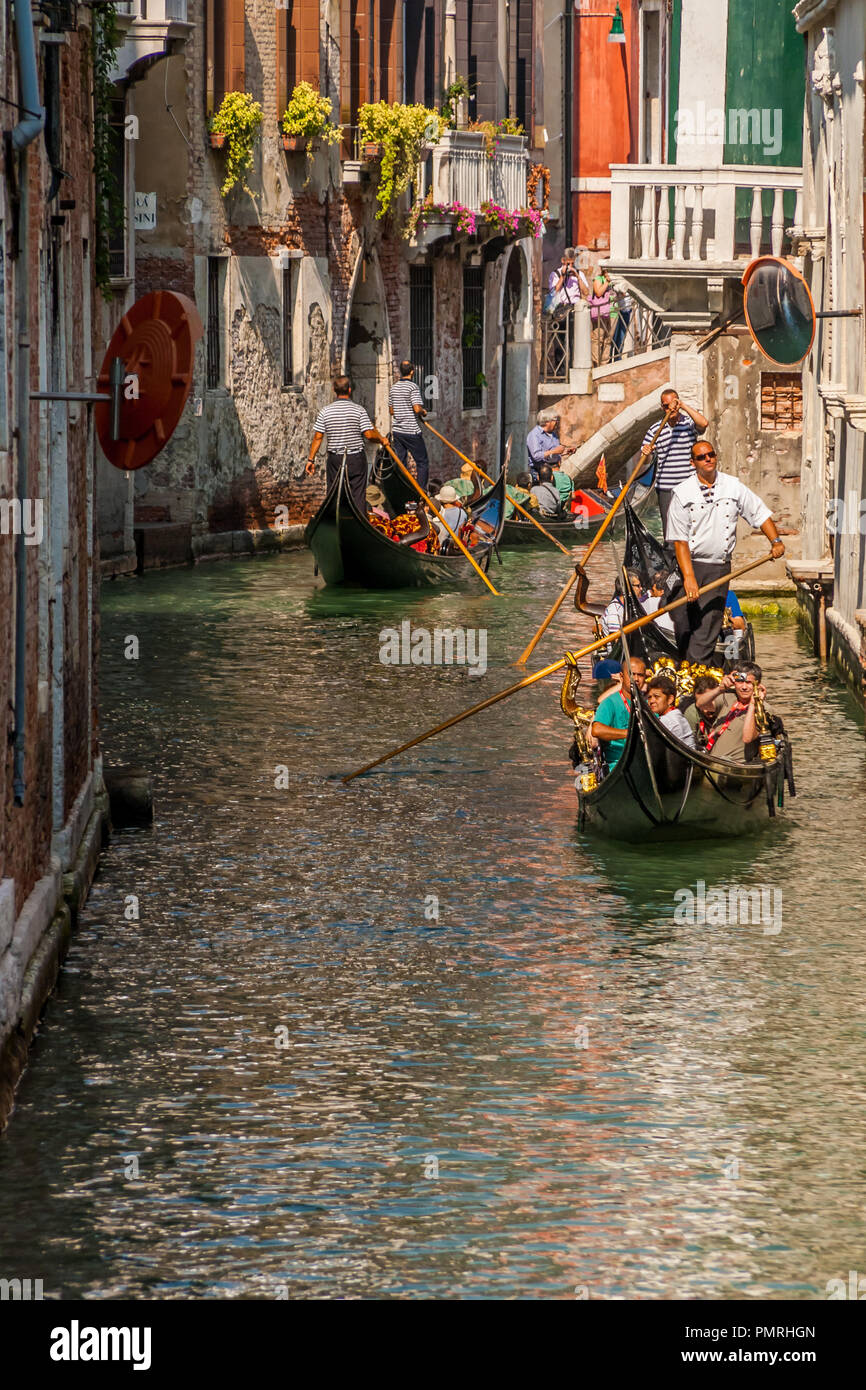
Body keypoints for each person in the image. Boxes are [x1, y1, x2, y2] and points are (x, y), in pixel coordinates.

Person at [666, 442, 784, 663]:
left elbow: (759, 512)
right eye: (702, 457)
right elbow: (680, 541)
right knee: (683, 622)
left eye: (711, 454)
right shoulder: (682, 494)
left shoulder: (733, 487)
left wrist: (775, 541)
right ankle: (687, 667)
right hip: (688, 565)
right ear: (693, 463)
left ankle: (696, 677)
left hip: (718, 567)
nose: (708, 459)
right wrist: (689, 577)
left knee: (708, 624)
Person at [637, 388, 709, 537]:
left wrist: (682, 406)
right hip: (666, 488)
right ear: (662, 408)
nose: (670, 408)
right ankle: (671, 559)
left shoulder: (689, 423)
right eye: (666, 405)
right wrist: (647, 453)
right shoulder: (654, 430)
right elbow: (646, 461)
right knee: (670, 533)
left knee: (692, 528)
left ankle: (690, 559)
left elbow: (704, 423)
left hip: (689, 485)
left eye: (673, 404)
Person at [307, 377, 384, 511]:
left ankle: (335, 522)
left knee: (334, 493)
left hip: (335, 459)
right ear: (349, 390)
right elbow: (369, 435)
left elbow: (318, 437)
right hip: (355, 459)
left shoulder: (325, 411)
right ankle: (358, 522)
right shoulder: (359, 410)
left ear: (334, 390)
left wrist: (310, 459)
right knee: (358, 494)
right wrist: (382, 439)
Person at [696, 663, 768, 762]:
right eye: (740, 682)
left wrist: (752, 703)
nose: (744, 687)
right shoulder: (728, 697)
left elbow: (747, 738)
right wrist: (719, 689)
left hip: (736, 765)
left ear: (758, 685)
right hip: (712, 760)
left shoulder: (763, 708)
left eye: (748, 683)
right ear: (735, 683)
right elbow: (701, 704)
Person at [591, 655, 645, 772]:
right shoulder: (610, 702)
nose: (636, 679)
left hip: (644, 762)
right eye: (632, 674)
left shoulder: (647, 703)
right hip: (617, 765)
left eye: (640, 675)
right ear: (621, 676)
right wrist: (628, 733)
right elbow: (596, 730)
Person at [389, 360, 430, 490]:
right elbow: (417, 409)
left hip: (397, 431)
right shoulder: (413, 387)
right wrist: (423, 412)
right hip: (411, 431)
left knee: (401, 463)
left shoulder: (393, 387)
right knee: (422, 462)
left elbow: (391, 411)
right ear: (412, 371)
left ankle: (403, 488)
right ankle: (421, 491)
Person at [645, 673, 697, 749]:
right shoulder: (676, 715)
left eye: (656, 696)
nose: (651, 701)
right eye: (649, 697)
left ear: (670, 699)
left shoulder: (667, 720)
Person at [526, 409, 573, 481]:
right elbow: (536, 456)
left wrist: (564, 451)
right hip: (539, 473)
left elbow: (552, 452)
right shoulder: (534, 435)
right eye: (555, 420)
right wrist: (554, 451)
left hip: (554, 472)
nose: (557, 423)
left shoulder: (553, 434)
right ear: (547, 422)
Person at [547, 247, 589, 315]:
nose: (571, 266)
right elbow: (553, 293)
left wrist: (578, 277)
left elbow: (586, 293)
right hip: (560, 309)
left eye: (573, 263)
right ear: (563, 260)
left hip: (576, 308)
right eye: (568, 264)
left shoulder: (579, 274)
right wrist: (562, 276)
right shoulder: (555, 274)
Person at [681, 674, 721, 741]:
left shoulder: (727, 709)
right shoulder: (691, 713)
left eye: (708, 703)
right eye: (701, 704)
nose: (705, 710)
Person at [641, 569, 676, 638]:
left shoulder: (649, 602)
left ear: (661, 591)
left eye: (652, 590)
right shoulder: (678, 601)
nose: (650, 592)